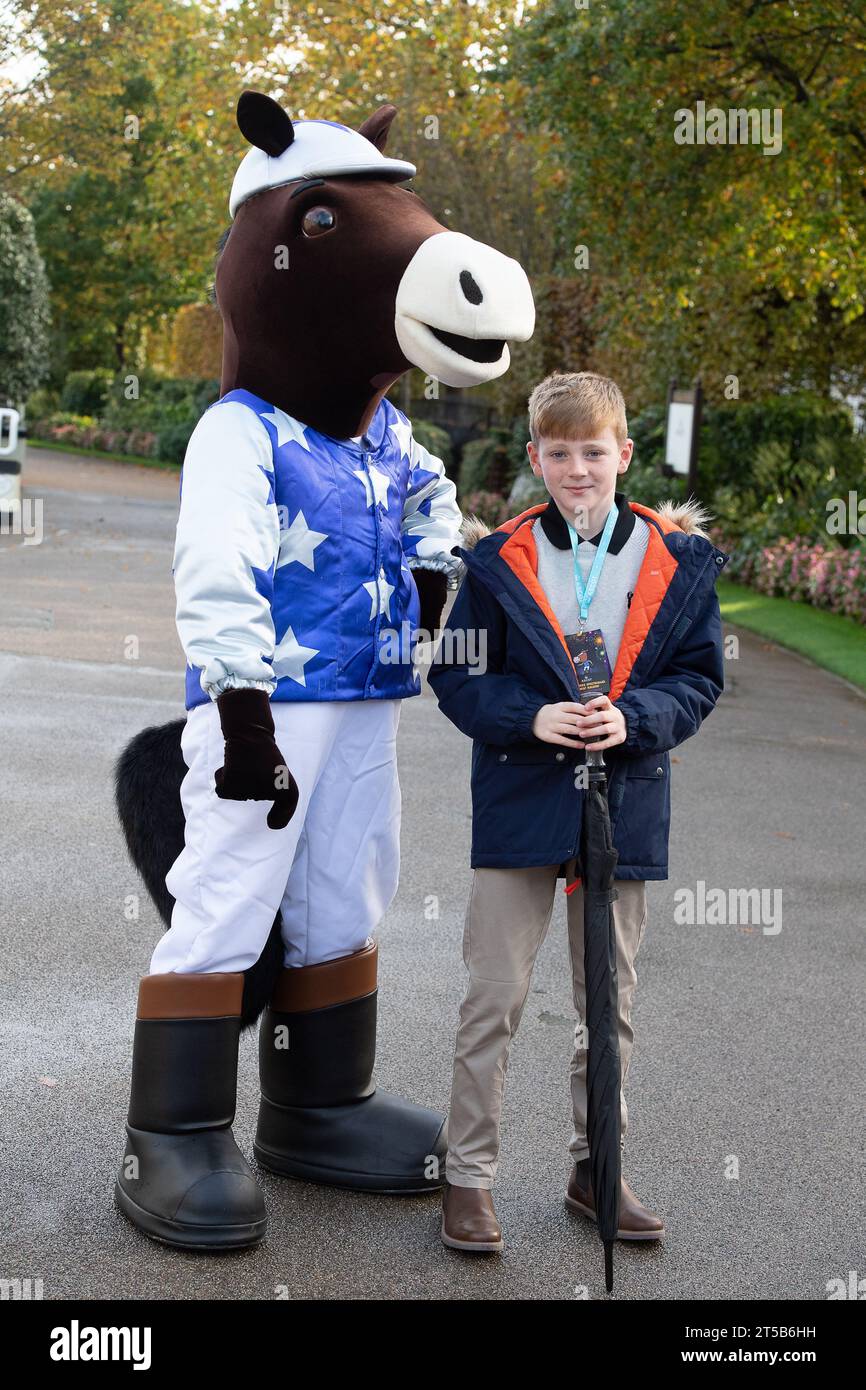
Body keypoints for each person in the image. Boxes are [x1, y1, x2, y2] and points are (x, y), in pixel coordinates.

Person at [427, 370, 728, 1252]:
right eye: (558, 454)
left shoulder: (677, 561)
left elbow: (700, 679)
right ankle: (469, 1179)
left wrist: (633, 719)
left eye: (593, 452)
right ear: (535, 459)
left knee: (610, 1004)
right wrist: (532, 715)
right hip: (521, 799)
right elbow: (456, 677)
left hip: (622, 801)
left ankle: (596, 1170)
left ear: (623, 455)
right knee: (495, 998)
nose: (577, 469)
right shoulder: (496, 561)